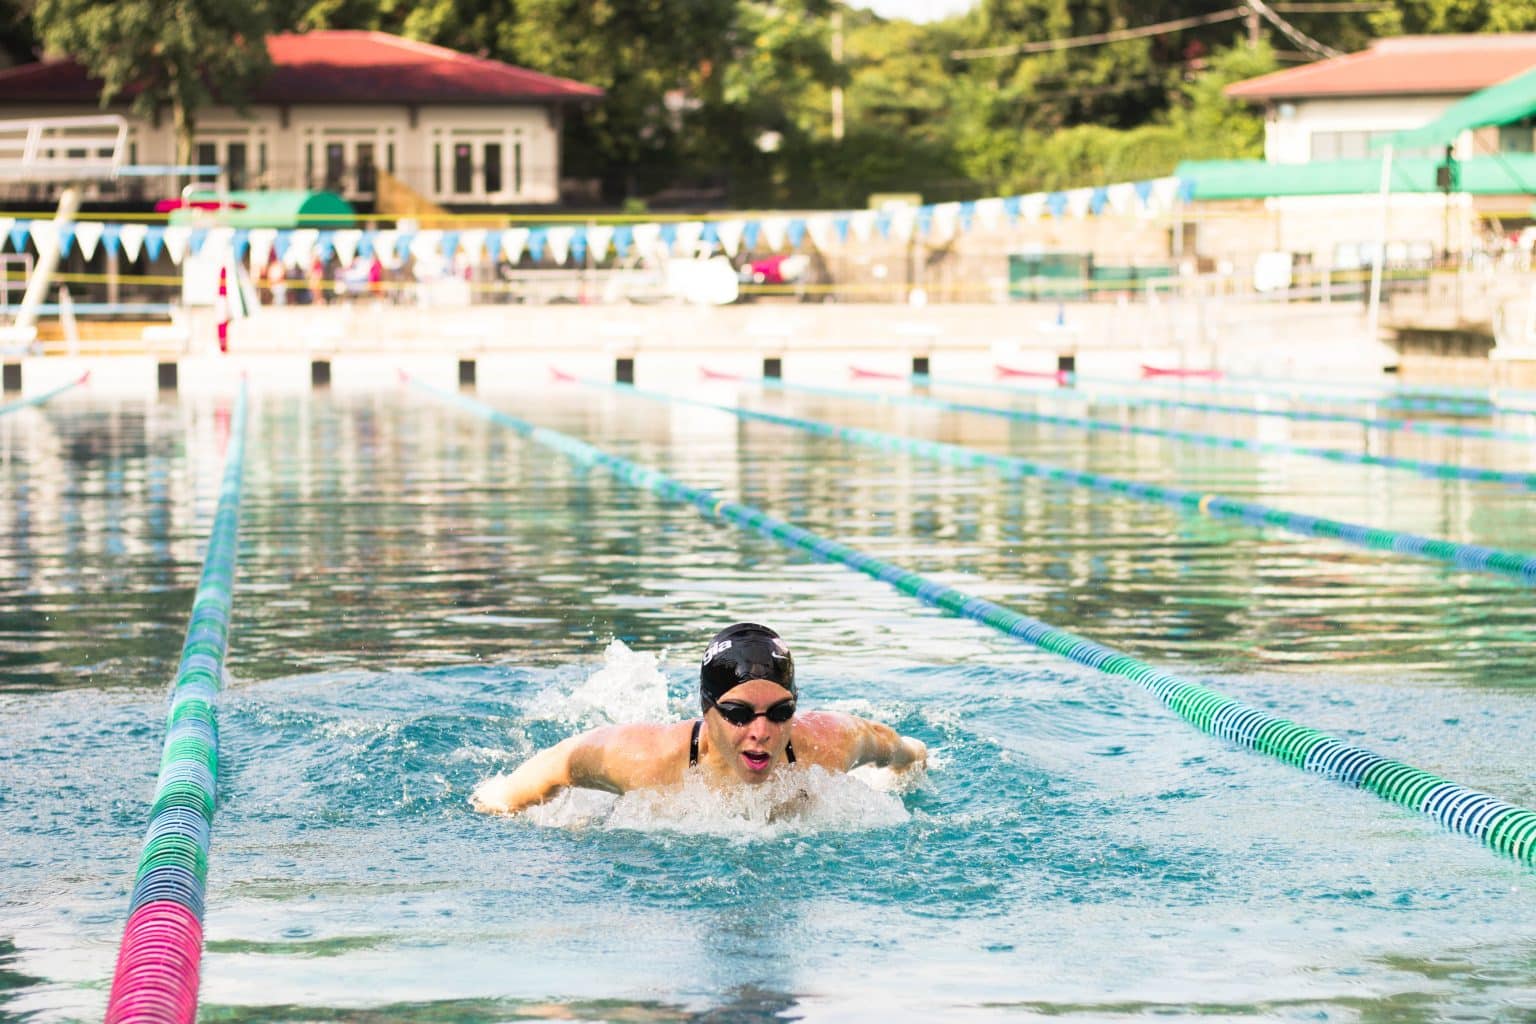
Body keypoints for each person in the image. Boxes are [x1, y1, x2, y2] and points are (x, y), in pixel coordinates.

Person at [470, 623, 928, 815]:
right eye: (738, 714)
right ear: (707, 711)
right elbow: (557, 765)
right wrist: (499, 801)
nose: (761, 732)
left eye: (780, 712)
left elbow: (906, 751)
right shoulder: (647, 760)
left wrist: (911, 772)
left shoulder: (828, 744)